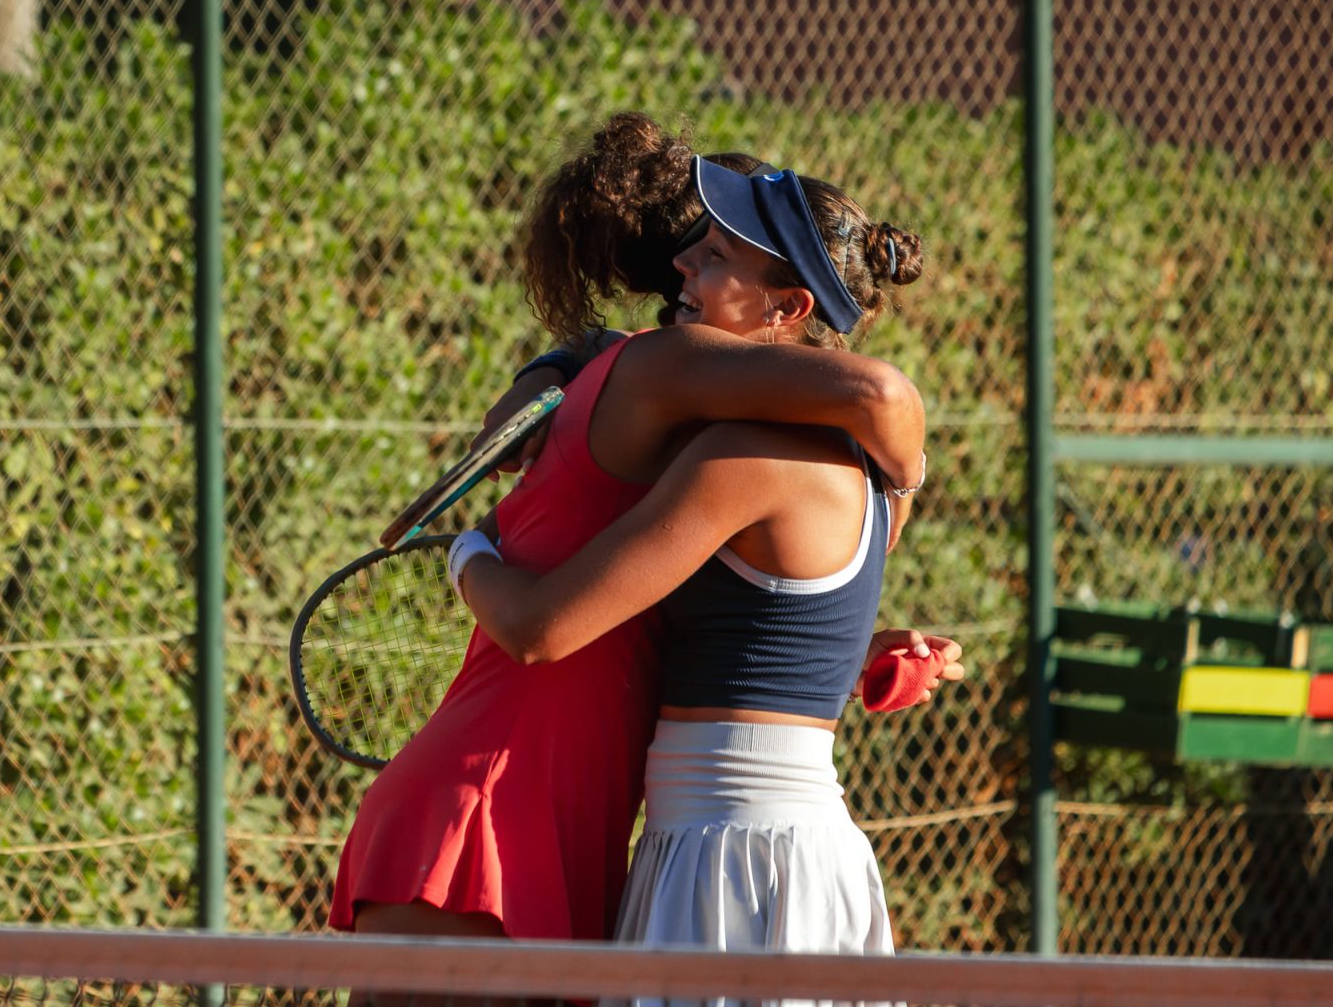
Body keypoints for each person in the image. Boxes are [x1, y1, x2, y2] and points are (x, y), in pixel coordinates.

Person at [327, 113, 945, 945]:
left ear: (790, 305)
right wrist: (901, 489)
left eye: (717, 252)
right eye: (694, 245)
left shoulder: (697, 411)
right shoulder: (689, 398)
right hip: (522, 809)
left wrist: (471, 551)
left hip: (650, 833)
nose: (687, 264)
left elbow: (882, 398)